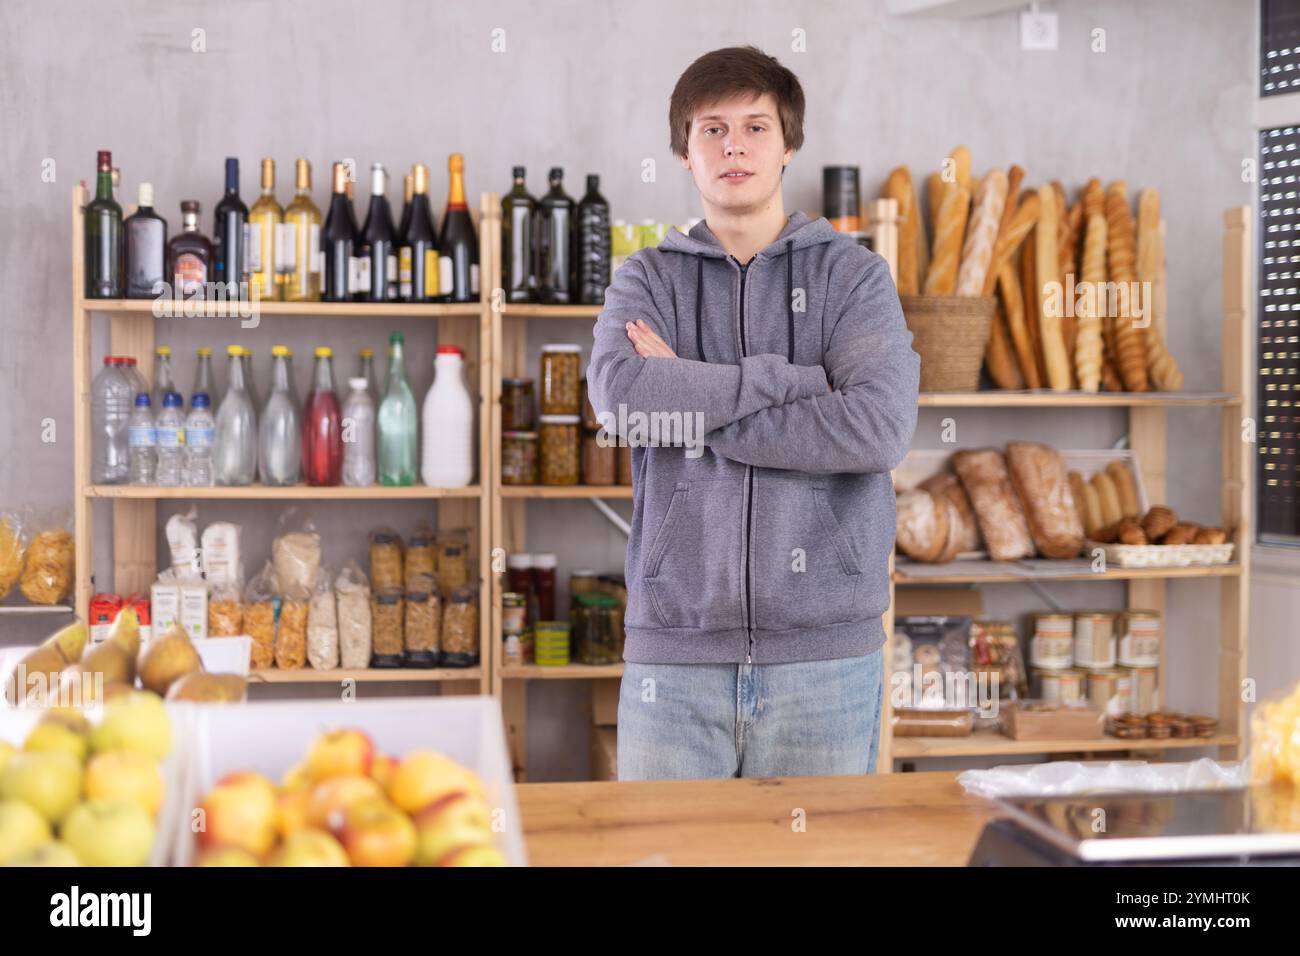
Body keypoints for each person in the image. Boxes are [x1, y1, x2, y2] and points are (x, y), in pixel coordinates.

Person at [586, 45, 920, 780]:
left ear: (788, 145)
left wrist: (692, 392)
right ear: (684, 153)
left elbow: (878, 429)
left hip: (826, 659)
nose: (733, 144)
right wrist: (790, 382)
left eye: (755, 126)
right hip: (672, 661)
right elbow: (623, 402)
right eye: (712, 129)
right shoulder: (647, 277)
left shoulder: (853, 277)